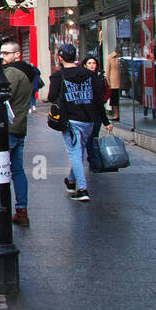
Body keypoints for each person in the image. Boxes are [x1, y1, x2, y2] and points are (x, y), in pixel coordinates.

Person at [47, 43, 111, 202]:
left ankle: (82, 189)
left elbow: (51, 97)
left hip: (70, 120)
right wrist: (105, 120)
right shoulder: (90, 75)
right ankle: (71, 181)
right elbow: (98, 99)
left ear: (60, 58)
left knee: (75, 153)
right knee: (79, 151)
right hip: (89, 119)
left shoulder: (59, 76)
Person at [1, 41, 34, 226]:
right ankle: (21, 209)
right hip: (19, 126)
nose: (3, 56)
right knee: (17, 170)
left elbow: (3, 94)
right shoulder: (27, 71)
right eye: (2, 53)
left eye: (7, 53)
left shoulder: (13, 72)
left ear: (17, 55)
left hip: (8, 127)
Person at [105, 48, 124, 121]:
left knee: (117, 98)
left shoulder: (121, 58)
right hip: (114, 81)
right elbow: (107, 71)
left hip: (120, 80)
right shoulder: (110, 57)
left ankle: (117, 114)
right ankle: (116, 114)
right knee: (114, 98)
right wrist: (108, 82)